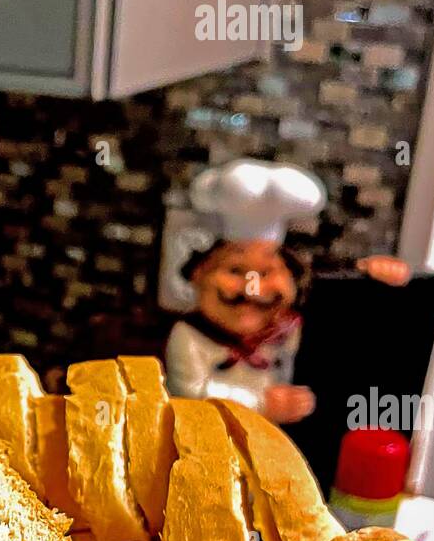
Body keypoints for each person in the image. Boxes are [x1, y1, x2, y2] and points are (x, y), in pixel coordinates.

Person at [165, 159, 409, 423]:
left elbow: (350, 337)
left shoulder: (289, 330)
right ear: (199, 276)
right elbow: (188, 393)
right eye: (235, 271)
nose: (252, 289)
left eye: (266, 273)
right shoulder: (189, 336)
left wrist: (371, 277)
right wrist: (259, 403)